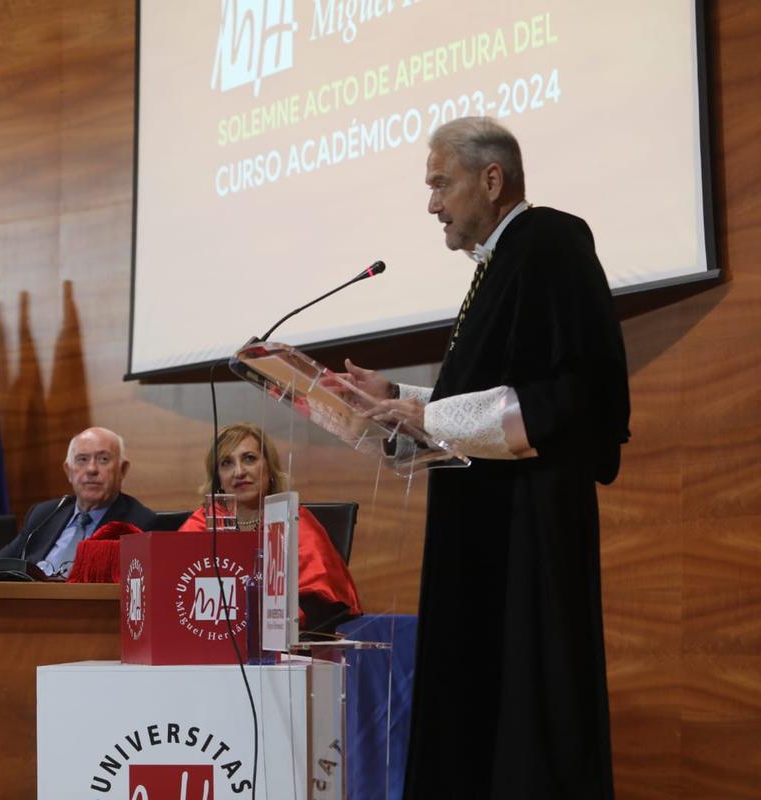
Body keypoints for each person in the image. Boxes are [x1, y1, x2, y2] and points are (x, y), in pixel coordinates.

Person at [341, 117, 629, 798]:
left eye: (441, 183)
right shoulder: (500, 263)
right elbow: (481, 397)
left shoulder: (550, 241)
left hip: (527, 532)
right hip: (483, 527)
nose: (432, 203)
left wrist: (427, 412)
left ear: (492, 179)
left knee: (528, 711)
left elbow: (569, 396)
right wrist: (398, 398)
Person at [178, 422, 361, 632]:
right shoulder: (201, 523)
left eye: (249, 458)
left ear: (269, 467)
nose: (239, 471)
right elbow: (177, 593)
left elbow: (320, 600)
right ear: (217, 476)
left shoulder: (292, 520)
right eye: (226, 462)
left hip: (283, 645)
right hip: (209, 640)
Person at [0, 427, 156, 579]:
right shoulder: (45, 514)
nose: (92, 469)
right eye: (82, 459)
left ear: (122, 470)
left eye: (103, 459)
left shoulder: (138, 523)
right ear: (69, 471)